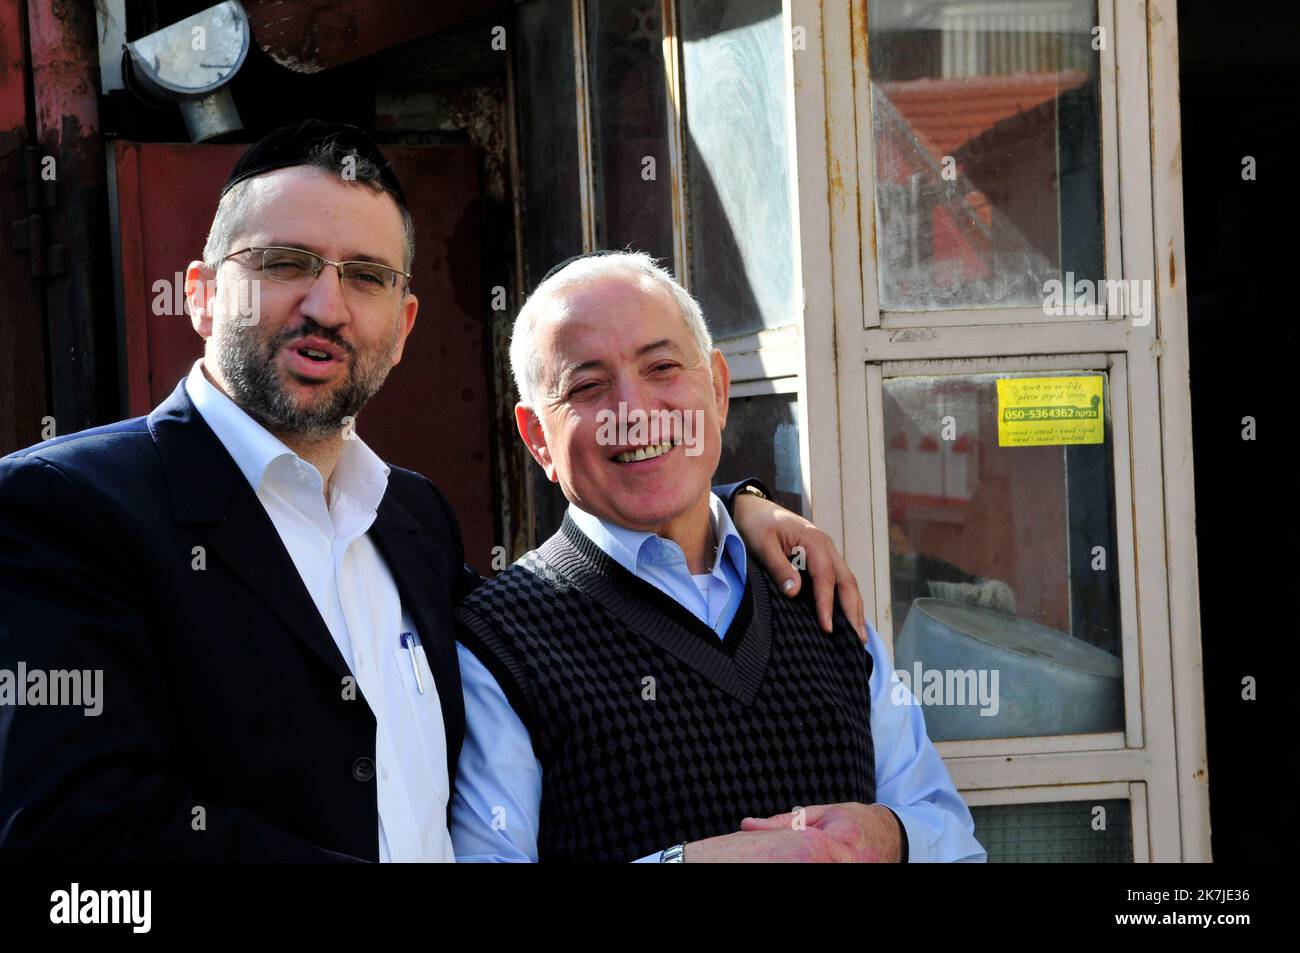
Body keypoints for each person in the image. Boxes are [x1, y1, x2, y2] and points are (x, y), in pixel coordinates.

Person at [0, 121, 866, 861]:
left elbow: (578, 612)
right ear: (199, 293)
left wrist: (733, 505)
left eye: (367, 276)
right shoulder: (62, 507)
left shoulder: (410, 517)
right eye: (285, 262)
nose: (327, 306)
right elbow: (71, 837)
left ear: (406, 325)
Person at [450, 252, 986, 862]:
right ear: (538, 437)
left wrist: (889, 837)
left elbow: (950, 837)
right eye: (587, 386)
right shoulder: (496, 645)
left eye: (662, 367)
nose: (635, 410)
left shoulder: (817, 592)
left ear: (720, 389)